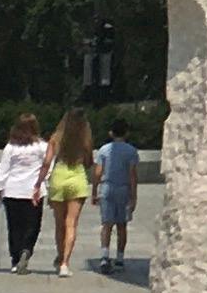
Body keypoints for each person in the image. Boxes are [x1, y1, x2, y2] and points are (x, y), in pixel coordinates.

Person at [0, 111, 50, 271]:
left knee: (14, 226)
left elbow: (3, 169)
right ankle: (27, 249)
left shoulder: (11, 147)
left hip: (12, 190)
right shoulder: (42, 147)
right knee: (32, 225)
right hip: (33, 191)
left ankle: (15, 258)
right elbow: (48, 167)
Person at [45, 110, 96, 275]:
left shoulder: (55, 138)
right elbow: (89, 162)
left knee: (59, 224)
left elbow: (47, 161)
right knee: (71, 223)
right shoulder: (85, 139)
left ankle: (59, 257)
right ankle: (65, 264)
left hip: (59, 177)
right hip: (77, 177)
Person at [95, 123, 141, 262]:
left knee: (106, 224)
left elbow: (98, 172)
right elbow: (132, 175)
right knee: (122, 225)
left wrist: (94, 191)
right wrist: (134, 196)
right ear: (126, 133)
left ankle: (104, 255)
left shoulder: (103, 150)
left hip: (107, 187)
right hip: (123, 189)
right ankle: (120, 258)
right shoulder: (131, 151)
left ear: (111, 133)